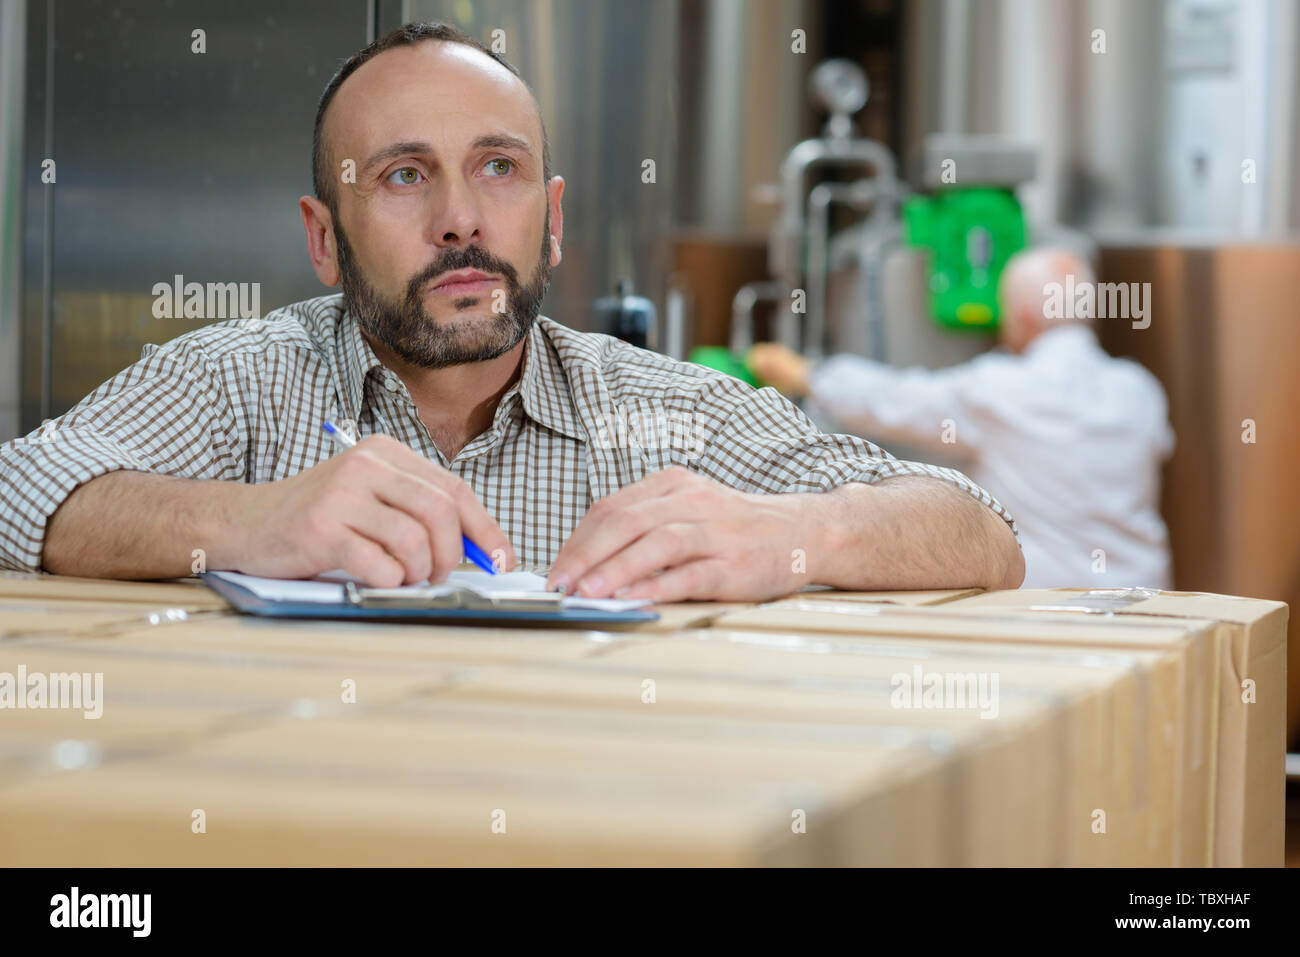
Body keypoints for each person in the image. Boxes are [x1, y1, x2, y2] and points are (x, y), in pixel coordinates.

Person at [0, 22, 1023, 602]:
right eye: (404, 176)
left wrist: (794, 535)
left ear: (553, 215)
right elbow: (18, 486)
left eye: (498, 169)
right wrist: (245, 521)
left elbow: (980, 534)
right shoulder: (238, 382)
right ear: (323, 239)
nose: (460, 220)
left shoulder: (674, 412)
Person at [749, 247, 1174, 588]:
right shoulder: (1140, 389)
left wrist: (808, 374)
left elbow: (895, 400)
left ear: (1022, 318)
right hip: (1144, 600)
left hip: (1047, 605)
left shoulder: (999, 388)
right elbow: (1159, 446)